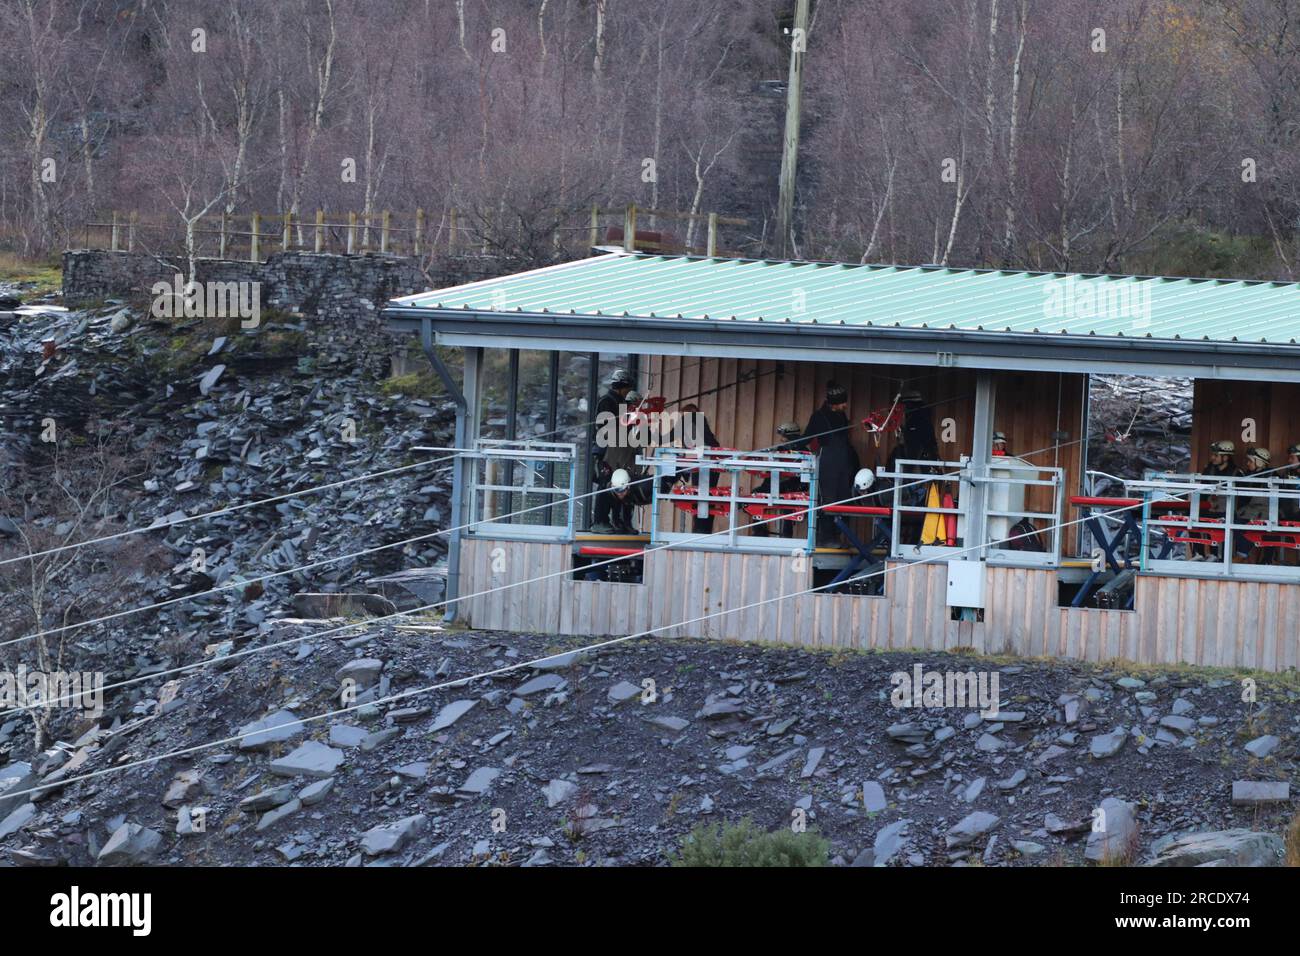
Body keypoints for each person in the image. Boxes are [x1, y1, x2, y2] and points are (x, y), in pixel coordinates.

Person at [799, 381, 860, 546]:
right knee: (828, 500)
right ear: (834, 403)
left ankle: (839, 536)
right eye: (842, 402)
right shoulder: (819, 417)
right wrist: (791, 446)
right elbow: (807, 437)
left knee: (844, 499)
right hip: (828, 463)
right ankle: (826, 538)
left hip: (842, 463)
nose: (846, 405)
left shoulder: (841, 416)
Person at [590, 368, 635, 533]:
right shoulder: (607, 402)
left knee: (618, 487)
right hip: (606, 451)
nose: (628, 392)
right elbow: (605, 428)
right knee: (605, 485)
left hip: (618, 451)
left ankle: (616, 521)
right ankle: (599, 522)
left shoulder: (621, 403)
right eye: (627, 389)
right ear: (621, 387)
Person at [751, 421, 806, 537]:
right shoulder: (779, 449)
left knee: (787, 502)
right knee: (755, 495)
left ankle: (786, 535)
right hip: (777, 483)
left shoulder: (804, 451)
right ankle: (759, 532)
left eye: (784, 437)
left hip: (794, 486)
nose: (782, 439)